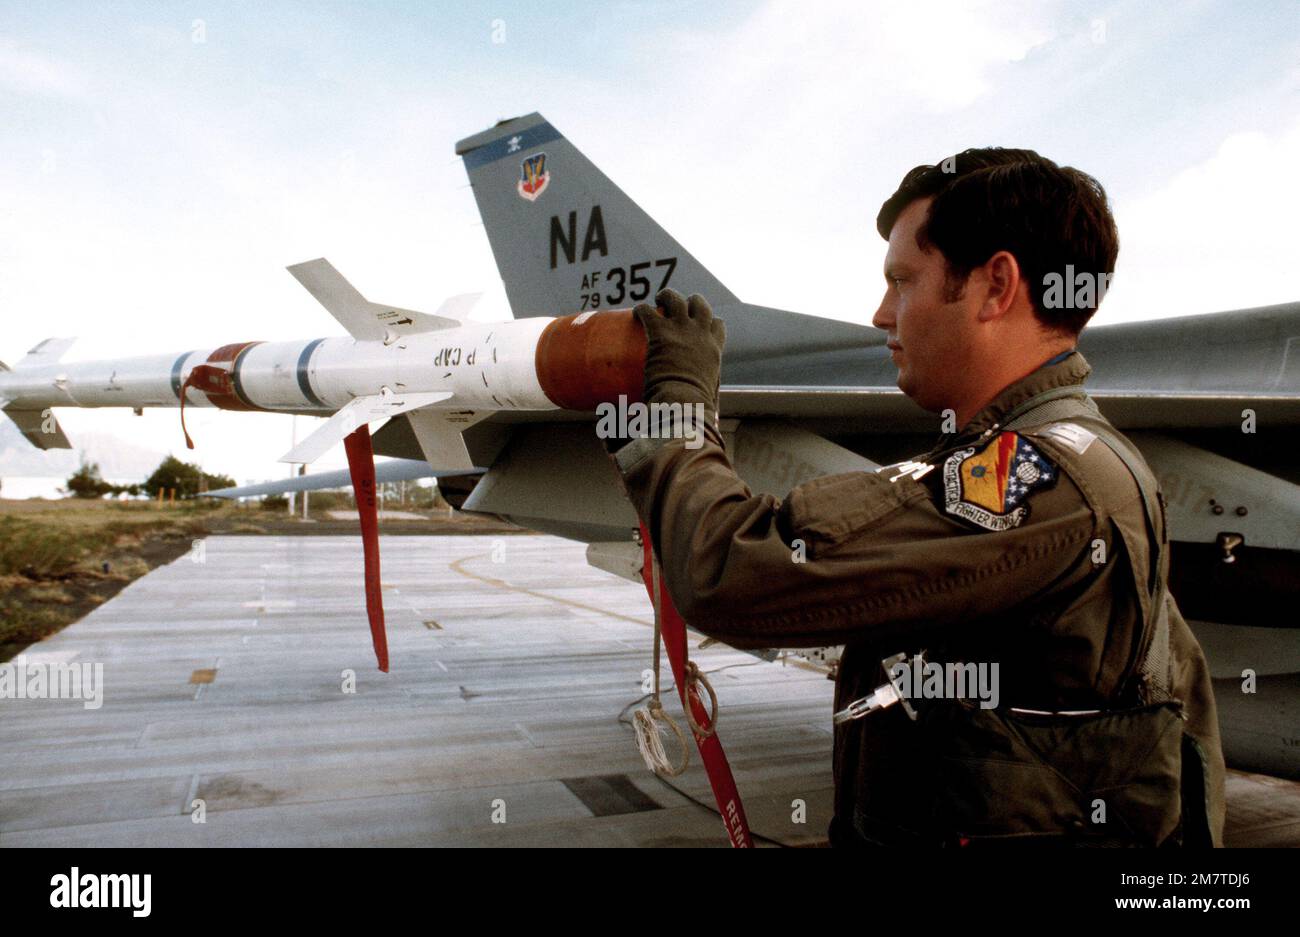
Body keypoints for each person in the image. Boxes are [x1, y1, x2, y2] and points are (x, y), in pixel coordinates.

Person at [605, 147, 1225, 847]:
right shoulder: (1075, 458)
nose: (879, 314)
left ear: (996, 286)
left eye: (903, 281)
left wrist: (677, 412)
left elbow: (727, 571)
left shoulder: (1045, 477)